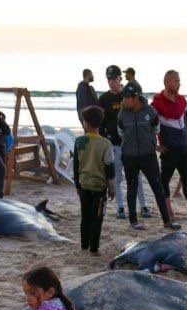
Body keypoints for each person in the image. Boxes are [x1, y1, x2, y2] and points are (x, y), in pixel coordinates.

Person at [119, 82, 177, 231]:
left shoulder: (150, 111)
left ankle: (167, 221)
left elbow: (156, 128)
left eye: (127, 98)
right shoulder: (122, 113)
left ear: (136, 97)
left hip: (148, 156)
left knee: (158, 188)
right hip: (129, 156)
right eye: (124, 97)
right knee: (132, 188)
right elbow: (120, 132)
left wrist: (151, 144)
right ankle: (133, 220)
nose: (125, 101)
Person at [152, 70, 187, 223]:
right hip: (169, 149)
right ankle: (168, 213)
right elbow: (148, 125)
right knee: (164, 181)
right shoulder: (157, 103)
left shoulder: (182, 101)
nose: (179, 83)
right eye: (176, 81)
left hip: (184, 148)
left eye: (179, 81)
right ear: (167, 82)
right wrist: (156, 145)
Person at [96, 65, 146, 219]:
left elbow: (143, 110)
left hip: (131, 145)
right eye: (109, 79)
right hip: (114, 145)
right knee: (117, 178)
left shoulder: (129, 94)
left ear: (120, 78)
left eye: (114, 79)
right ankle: (120, 208)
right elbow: (99, 122)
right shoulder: (103, 99)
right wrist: (105, 138)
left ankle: (143, 207)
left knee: (136, 177)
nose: (111, 82)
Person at [74, 105, 115, 254]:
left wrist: (77, 185)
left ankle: (84, 245)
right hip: (99, 187)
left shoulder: (79, 141)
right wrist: (112, 188)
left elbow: (76, 165)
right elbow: (110, 169)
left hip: (84, 186)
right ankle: (94, 248)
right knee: (97, 217)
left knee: (85, 216)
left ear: (86, 122)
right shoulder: (106, 144)